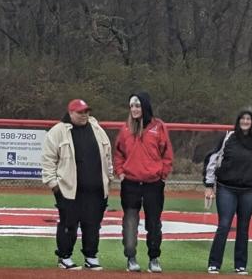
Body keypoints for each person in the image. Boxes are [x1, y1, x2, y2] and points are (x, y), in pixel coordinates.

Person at [41, 98, 113, 271]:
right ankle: (64, 257)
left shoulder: (97, 129)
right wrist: (54, 185)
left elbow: (107, 154)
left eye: (86, 111)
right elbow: (48, 160)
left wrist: (109, 177)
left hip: (96, 189)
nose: (84, 115)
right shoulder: (58, 131)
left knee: (93, 224)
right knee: (68, 224)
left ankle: (91, 256)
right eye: (80, 112)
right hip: (69, 190)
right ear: (71, 112)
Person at [113, 92, 173, 273]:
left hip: (153, 184)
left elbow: (167, 154)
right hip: (130, 183)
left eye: (137, 106)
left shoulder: (159, 127)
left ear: (145, 107)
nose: (134, 109)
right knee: (130, 222)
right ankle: (131, 257)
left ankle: (154, 258)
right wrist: (121, 173)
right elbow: (118, 154)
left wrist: (163, 174)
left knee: (154, 223)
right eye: (131, 106)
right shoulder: (125, 129)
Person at [203, 108, 252, 275]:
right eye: (242, 118)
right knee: (224, 225)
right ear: (238, 121)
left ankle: (240, 265)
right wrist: (209, 185)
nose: (245, 121)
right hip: (226, 188)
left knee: (244, 227)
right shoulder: (228, 138)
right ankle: (214, 263)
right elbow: (213, 159)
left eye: (248, 119)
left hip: (249, 190)